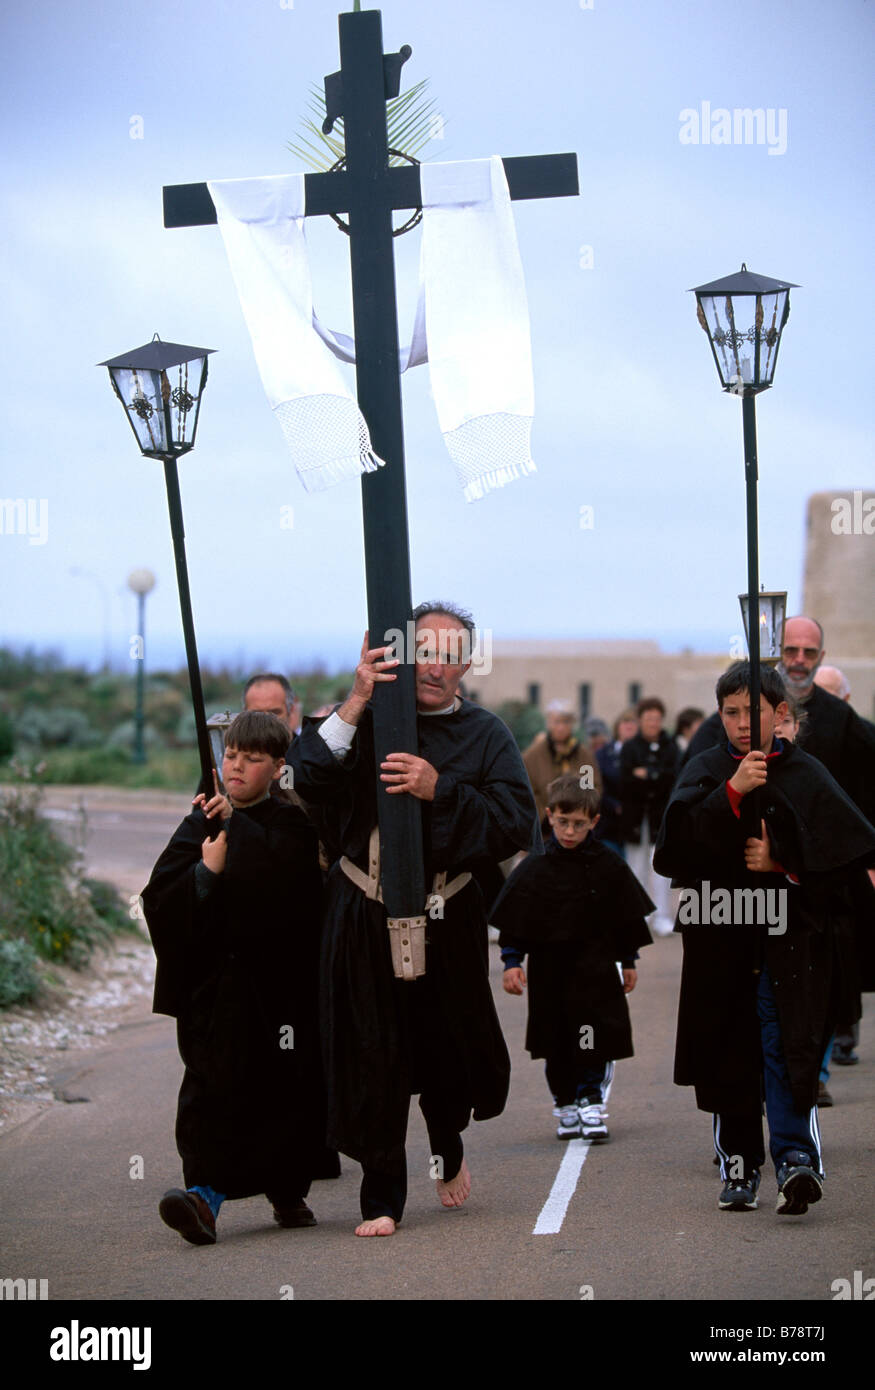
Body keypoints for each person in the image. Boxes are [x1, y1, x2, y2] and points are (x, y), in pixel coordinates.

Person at [289, 602, 542, 1237]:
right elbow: (304, 777)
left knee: (446, 1047)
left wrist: (441, 789)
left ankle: (446, 1142)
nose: (436, 666)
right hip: (362, 911)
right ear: (400, 654)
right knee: (371, 1050)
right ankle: (381, 1198)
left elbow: (517, 826)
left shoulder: (486, 734)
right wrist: (354, 701)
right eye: (425, 651)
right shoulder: (362, 720)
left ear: (465, 666)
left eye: (451, 655)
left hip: (446, 912)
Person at [653, 662, 875, 1216]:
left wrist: (785, 862)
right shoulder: (705, 768)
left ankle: (796, 1158)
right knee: (732, 1052)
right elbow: (673, 851)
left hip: (791, 946)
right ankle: (740, 1167)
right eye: (730, 712)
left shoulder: (808, 773)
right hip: (723, 942)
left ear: (780, 714)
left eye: (753, 712)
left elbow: (848, 858)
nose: (741, 723)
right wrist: (730, 795)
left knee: (787, 1049)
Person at [142, 711, 325, 1245]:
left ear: (277, 768)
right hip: (213, 995)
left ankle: (288, 1192)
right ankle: (204, 1197)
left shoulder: (291, 822)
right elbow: (160, 897)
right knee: (210, 1092)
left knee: (283, 1093)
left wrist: (237, 831)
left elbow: (288, 888)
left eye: (253, 758)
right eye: (231, 755)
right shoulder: (200, 819)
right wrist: (206, 873)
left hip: (276, 996)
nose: (238, 765)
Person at [493, 775, 653, 1143]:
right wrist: (512, 961)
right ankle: (564, 1102)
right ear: (549, 816)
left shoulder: (607, 864)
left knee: (592, 1034)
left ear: (594, 822)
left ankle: (590, 1099)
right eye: (562, 822)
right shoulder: (535, 866)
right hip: (550, 972)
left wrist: (628, 960)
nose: (569, 831)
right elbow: (515, 920)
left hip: (594, 971)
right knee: (555, 1041)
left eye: (579, 824)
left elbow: (625, 915)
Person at [620, 697, 678, 935]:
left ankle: (662, 915)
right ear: (640, 720)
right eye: (648, 719)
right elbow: (625, 778)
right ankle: (639, 914)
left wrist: (649, 774)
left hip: (659, 815)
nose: (652, 723)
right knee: (635, 866)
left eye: (656, 719)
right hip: (635, 817)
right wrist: (649, 776)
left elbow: (673, 776)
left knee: (660, 868)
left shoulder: (671, 746)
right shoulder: (630, 747)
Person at [523, 700, 601, 833]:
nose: (561, 727)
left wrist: (578, 815)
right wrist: (547, 816)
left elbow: (593, 788)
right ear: (548, 724)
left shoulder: (583, 755)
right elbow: (525, 790)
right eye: (556, 722)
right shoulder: (533, 755)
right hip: (542, 829)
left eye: (566, 722)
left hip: (577, 829)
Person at [593, 708, 638, 857]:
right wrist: (613, 805)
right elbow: (594, 786)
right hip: (608, 824)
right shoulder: (602, 754)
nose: (629, 726)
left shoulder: (645, 755)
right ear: (617, 726)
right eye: (625, 722)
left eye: (633, 723)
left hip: (637, 824)